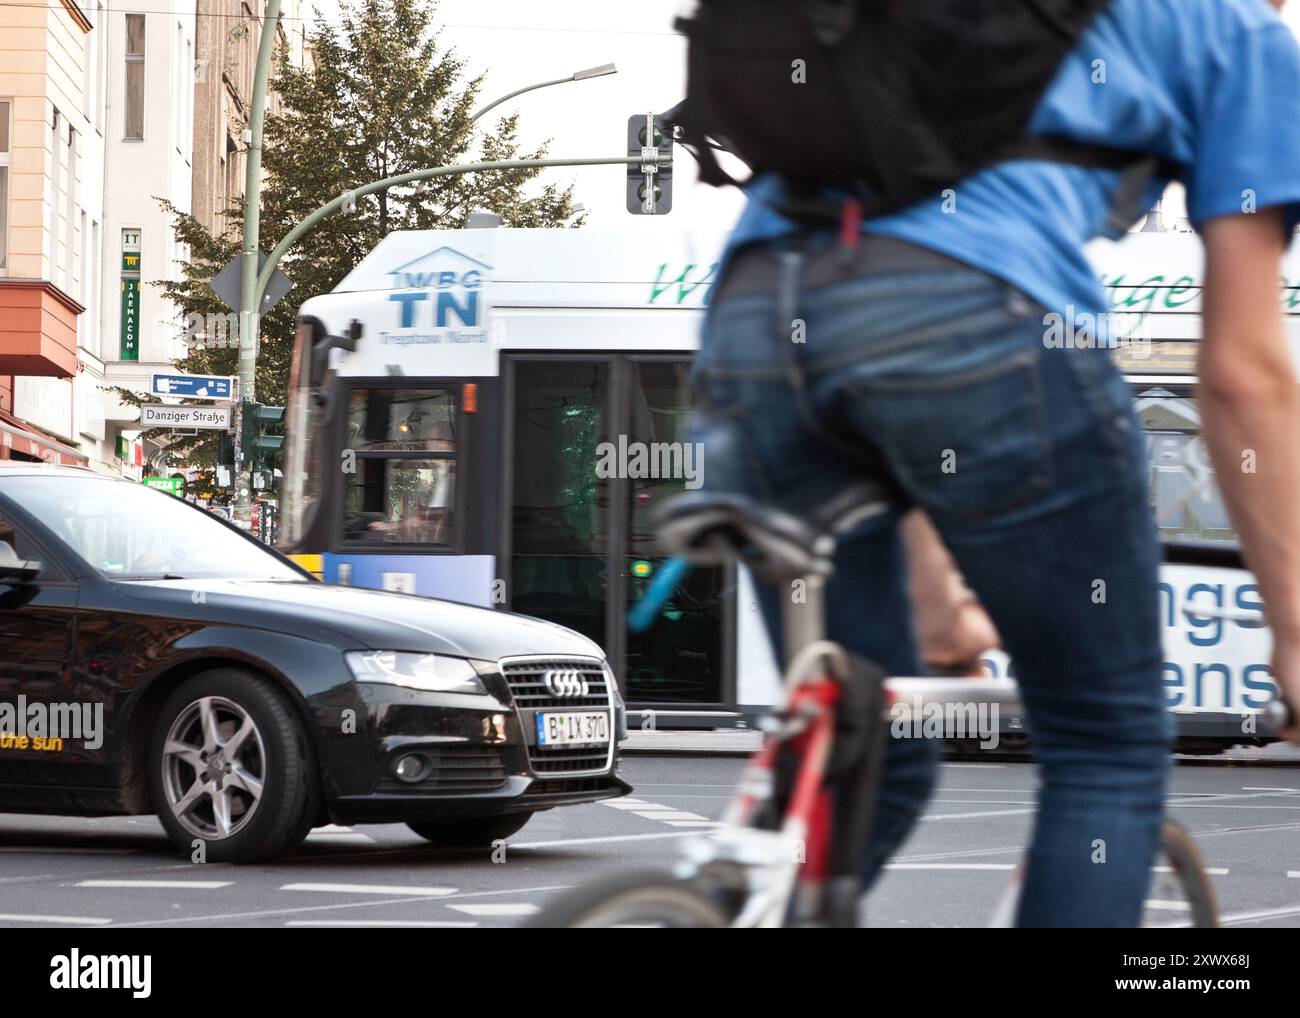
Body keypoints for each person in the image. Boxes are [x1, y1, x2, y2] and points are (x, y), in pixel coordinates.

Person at [688, 0, 1300, 926]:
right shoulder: (1235, 32)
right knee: (1103, 743)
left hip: (751, 323)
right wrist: (1295, 635)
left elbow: (885, 371)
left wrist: (937, 607)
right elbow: (1245, 373)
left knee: (867, 743)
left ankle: (729, 904)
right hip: (987, 321)